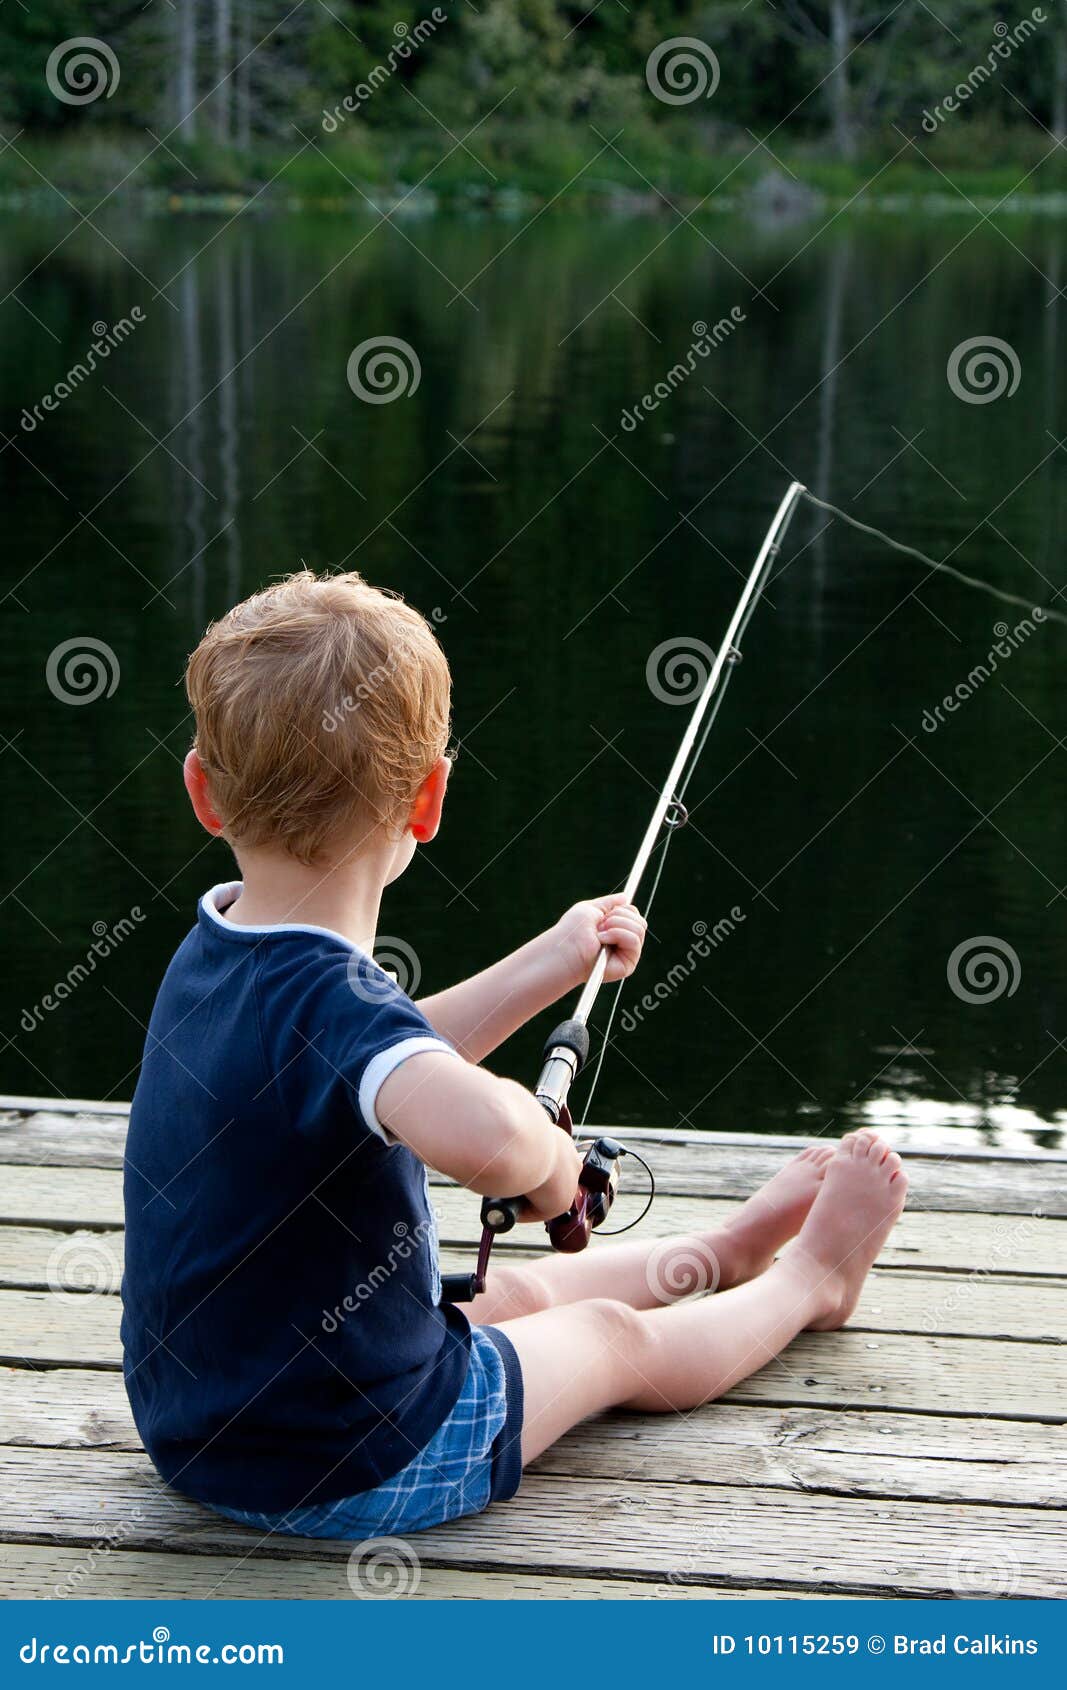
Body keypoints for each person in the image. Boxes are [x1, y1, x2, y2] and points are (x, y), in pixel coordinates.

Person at [121, 569, 907, 1541]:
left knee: (521, 1292)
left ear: (201, 790)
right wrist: (543, 1161)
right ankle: (808, 1282)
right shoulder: (336, 1007)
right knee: (605, 1339)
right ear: (430, 799)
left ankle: (723, 1252)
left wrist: (554, 957)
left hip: (200, 1430)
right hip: (351, 1460)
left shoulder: (216, 949)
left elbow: (383, 1068)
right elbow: (478, 1127)